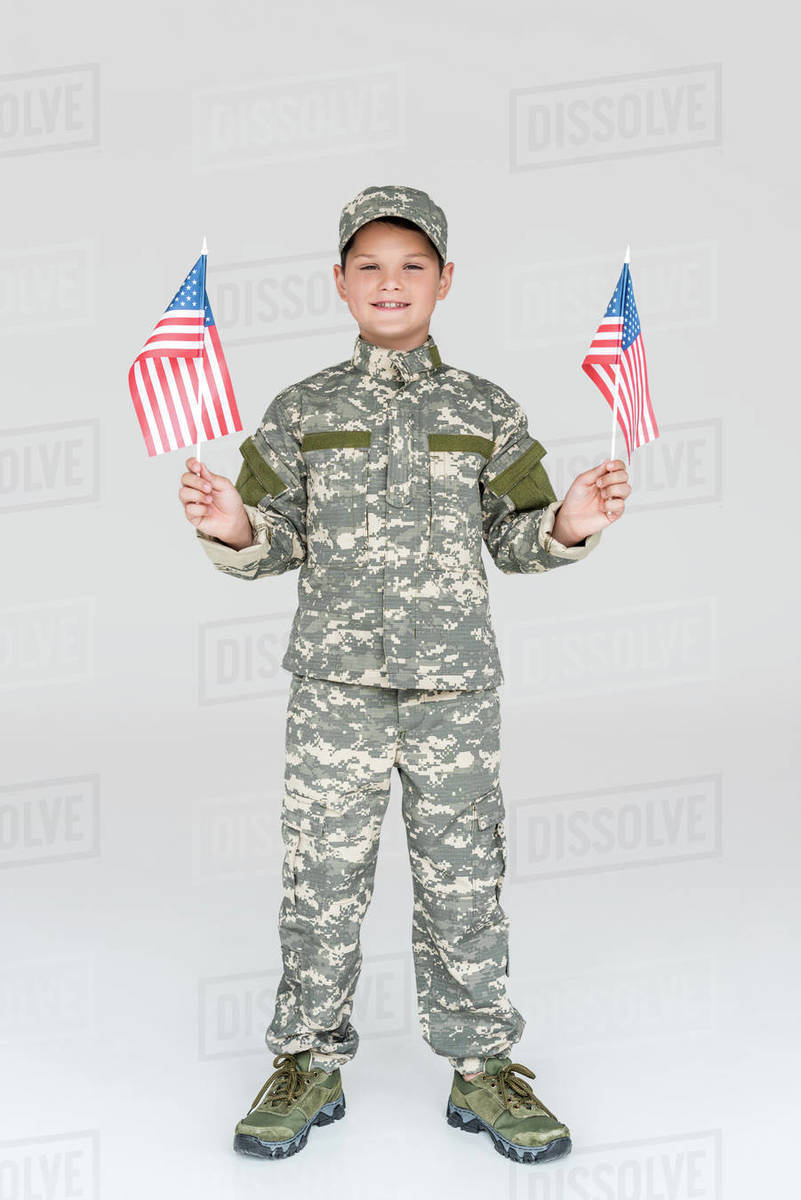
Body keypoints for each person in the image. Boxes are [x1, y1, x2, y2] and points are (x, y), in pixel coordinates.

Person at [178, 185, 631, 1165]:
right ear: (340, 283)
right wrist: (231, 528)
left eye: (412, 266)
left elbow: (517, 539)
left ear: (446, 281)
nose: (391, 283)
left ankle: (483, 1069)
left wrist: (569, 524)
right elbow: (274, 537)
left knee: (466, 883)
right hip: (337, 685)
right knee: (321, 882)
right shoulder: (301, 411)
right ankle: (305, 1059)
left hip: (451, 691)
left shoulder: (485, 410)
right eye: (370, 266)